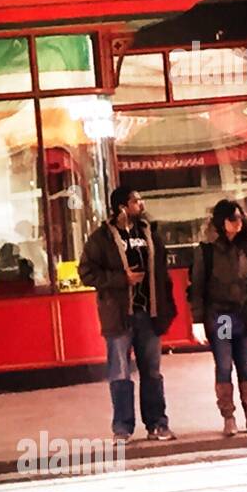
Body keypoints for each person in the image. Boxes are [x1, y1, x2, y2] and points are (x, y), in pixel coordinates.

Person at [80, 186, 178, 441]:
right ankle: (122, 427)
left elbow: (162, 274)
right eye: (136, 201)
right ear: (122, 206)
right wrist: (121, 279)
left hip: (149, 313)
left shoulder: (149, 233)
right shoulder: (101, 237)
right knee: (120, 373)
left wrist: (168, 307)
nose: (141, 204)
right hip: (119, 317)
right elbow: (86, 273)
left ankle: (157, 423)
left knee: (152, 372)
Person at [190, 199, 247, 436]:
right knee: (224, 365)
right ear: (221, 222)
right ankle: (229, 417)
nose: (237, 223)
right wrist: (197, 321)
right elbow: (198, 288)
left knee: (245, 365)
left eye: (239, 218)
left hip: (243, 315)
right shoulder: (207, 251)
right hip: (221, 317)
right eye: (232, 218)